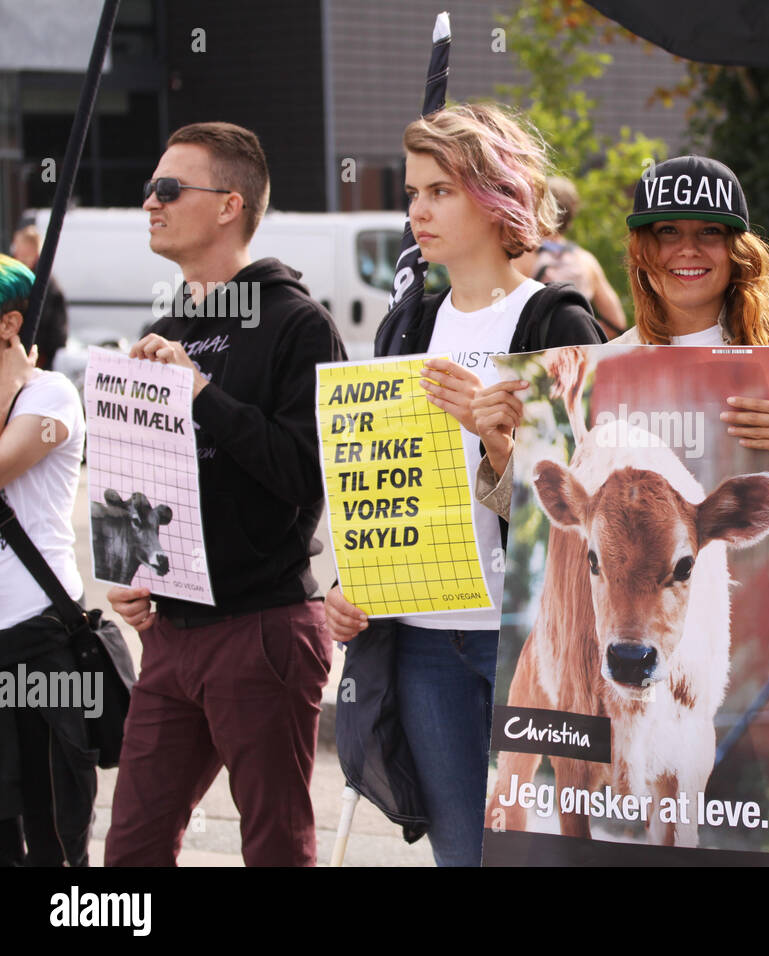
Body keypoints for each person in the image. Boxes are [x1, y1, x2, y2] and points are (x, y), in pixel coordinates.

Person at [472, 155, 769, 863]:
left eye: (708, 233)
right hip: (607, 663)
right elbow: (535, 518)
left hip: (755, 665)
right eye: (666, 232)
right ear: (642, 253)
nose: (687, 250)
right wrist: (501, 451)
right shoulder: (600, 366)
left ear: (738, 250)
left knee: (745, 852)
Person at [324, 103, 605, 867]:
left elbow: (590, 508)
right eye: (413, 191)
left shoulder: (556, 319)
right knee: (463, 855)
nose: (418, 209)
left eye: (440, 190)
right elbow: (386, 482)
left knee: (551, 854)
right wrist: (352, 583)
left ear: (496, 194)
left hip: (530, 642)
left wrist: (498, 442)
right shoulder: (406, 325)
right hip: (419, 642)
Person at [103, 122, 345, 866]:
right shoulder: (165, 326)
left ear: (229, 205)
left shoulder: (297, 323)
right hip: (173, 633)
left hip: (263, 627)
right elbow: (145, 479)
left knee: (275, 847)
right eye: (148, 188)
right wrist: (137, 570)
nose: (150, 201)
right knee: (132, 851)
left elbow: (305, 474)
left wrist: (200, 391)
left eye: (169, 188)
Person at [0, 254, 93, 866]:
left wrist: (8, 386)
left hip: (40, 639)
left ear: (8, 325)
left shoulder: (52, 395)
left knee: (52, 834)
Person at [515, 176, 627, 337]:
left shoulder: (522, 255)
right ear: (572, 213)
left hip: (537, 356)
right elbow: (617, 322)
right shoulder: (587, 261)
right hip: (578, 354)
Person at [9, 225, 68, 371]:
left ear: (35, 254)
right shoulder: (11, 278)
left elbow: (56, 331)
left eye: (23, 254)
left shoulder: (47, 285)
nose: (17, 256)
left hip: (37, 360)